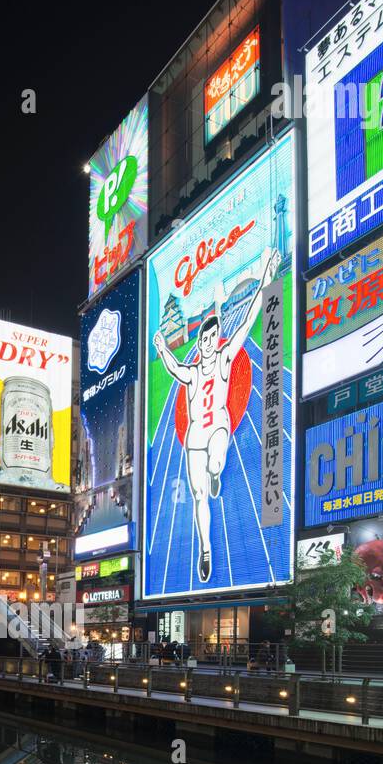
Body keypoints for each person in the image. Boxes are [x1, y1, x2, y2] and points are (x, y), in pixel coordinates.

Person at [153, 245, 280, 584]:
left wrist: (266, 280)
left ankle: (215, 471)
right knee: (198, 496)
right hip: (195, 435)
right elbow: (175, 369)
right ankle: (206, 549)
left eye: (212, 336)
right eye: (205, 338)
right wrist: (163, 349)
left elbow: (247, 323)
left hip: (218, 425)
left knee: (217, 460)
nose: (209, 342)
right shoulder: (193, 371)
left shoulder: (224, 358)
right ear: (200, 342)